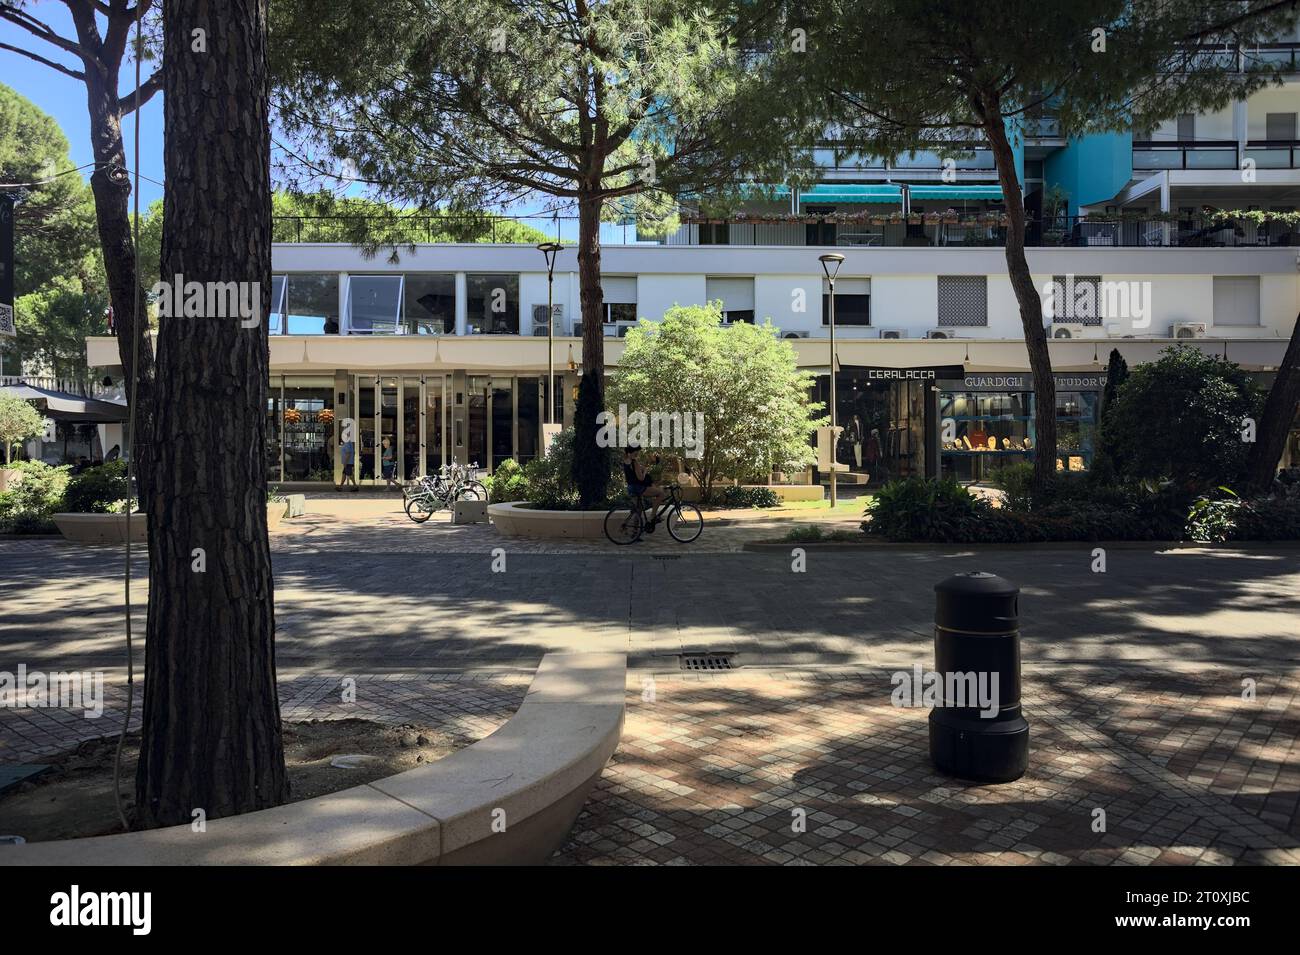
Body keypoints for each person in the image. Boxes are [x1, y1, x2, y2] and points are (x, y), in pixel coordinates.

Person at [622, 444, 665, 531]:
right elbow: (641, 478)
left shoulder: (626, 461)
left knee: (639, 509)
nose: (637, 453)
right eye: (636, 452)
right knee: (661, 493)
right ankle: (652, 517)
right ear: (631, 452)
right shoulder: (634, 462)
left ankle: (635, 533)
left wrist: (641, 468)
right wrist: (645, 471)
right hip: (638, 487)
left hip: (631, 487)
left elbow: (631, 474)